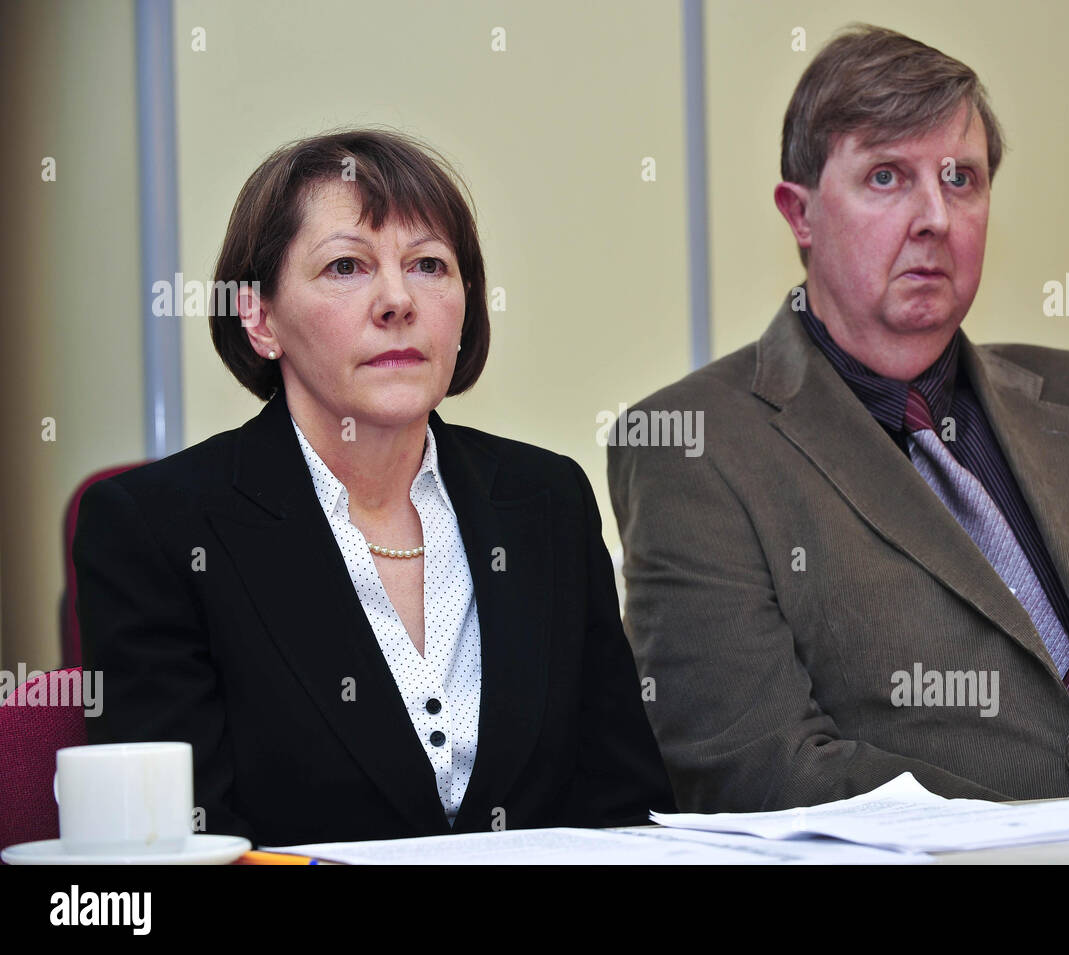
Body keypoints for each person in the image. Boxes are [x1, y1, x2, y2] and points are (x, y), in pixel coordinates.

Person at [608, 25, 1069, 810]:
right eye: (887, 177)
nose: (935, 215)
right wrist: (1044, 838)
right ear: (798, 214)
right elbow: (753, 764)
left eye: (961, 178)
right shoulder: (694, 448)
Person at [76, 128, 673, 847]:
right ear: (260, 318)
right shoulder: (155, 528)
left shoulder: (548, 500)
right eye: (346, 267)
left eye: (428, 264)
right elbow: (180, 847)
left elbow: (625, 814)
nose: (397, 300)